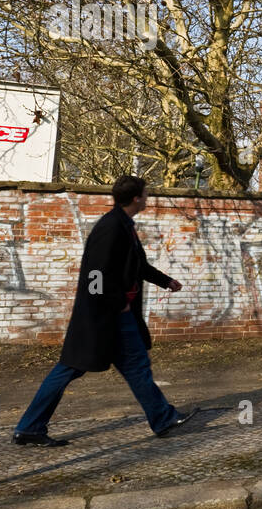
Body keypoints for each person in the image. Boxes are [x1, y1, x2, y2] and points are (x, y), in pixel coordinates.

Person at [13, 175, 197, 446]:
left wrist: (165, 281)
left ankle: (162, 417)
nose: (147, 198)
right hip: (105, 318)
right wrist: (114, 302)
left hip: (112, 316)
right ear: (136, 198)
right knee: (74, 369)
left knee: (132, 366)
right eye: (146, 194)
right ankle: (29, 425)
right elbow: (95, 273)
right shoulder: (111, 227)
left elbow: (137, 266)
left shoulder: (122, 225)